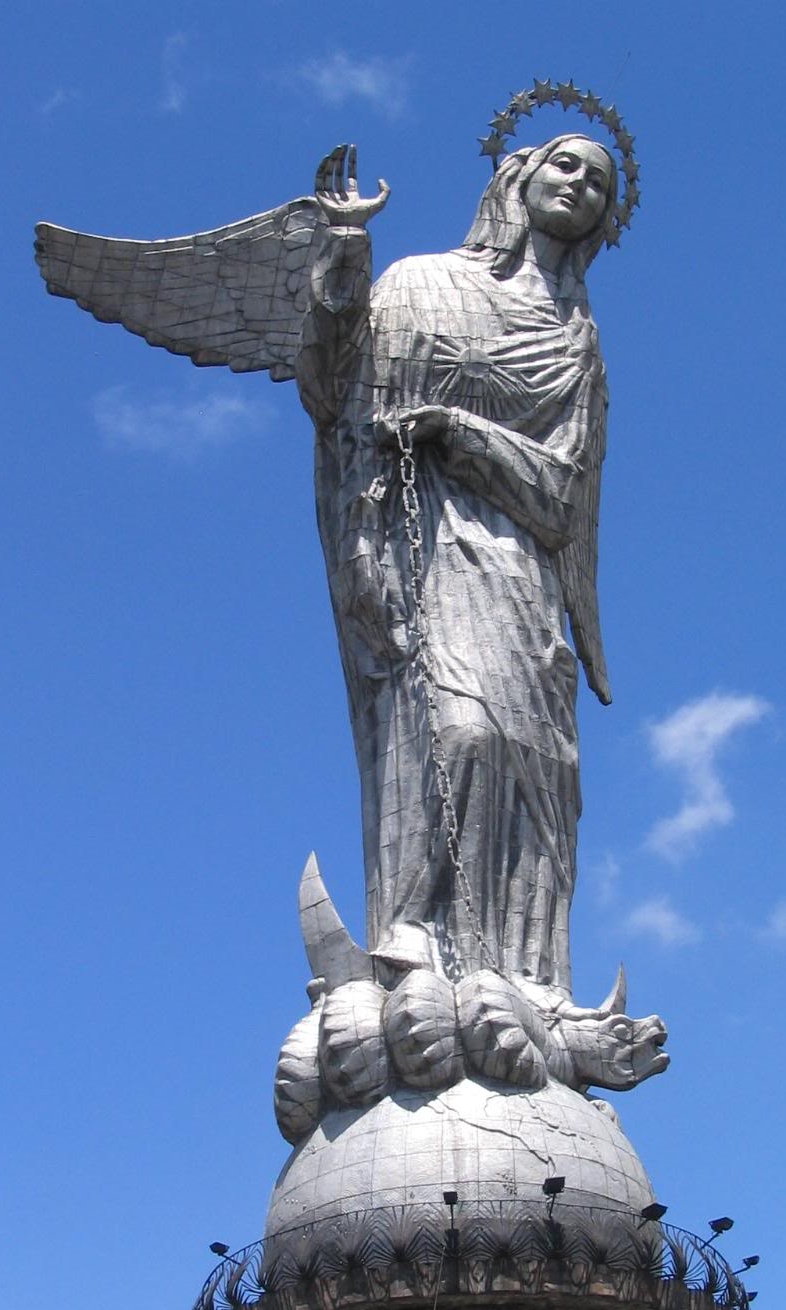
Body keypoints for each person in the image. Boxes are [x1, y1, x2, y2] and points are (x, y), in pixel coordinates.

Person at [296, 136, 617, 996]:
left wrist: (462, 432)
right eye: (567, 166)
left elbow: (561, 497)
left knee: (537, 762)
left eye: (599, 182)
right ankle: (414, 933)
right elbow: (337, 394)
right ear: (519, 177)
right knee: (460, 731)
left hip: (520, 573)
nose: (581, 186)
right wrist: (343, 256)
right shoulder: (420, 282)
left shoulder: (577, 345)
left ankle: (524, 983)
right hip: (425, 541)